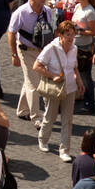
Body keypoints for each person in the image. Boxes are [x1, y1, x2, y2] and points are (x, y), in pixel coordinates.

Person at [33, 19, 80, 161]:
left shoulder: (74, 49)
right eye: (68, 35)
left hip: (70, 88)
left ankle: (64, 150)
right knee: (50, 116)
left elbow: (74, 68)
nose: (71, 38)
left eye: (73, 35)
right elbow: (37, 66)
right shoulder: (51, 48)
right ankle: (43, 139)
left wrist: (80, 81)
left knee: (68, 120)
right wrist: (53, 76)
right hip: (55, 89)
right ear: (60, 35)